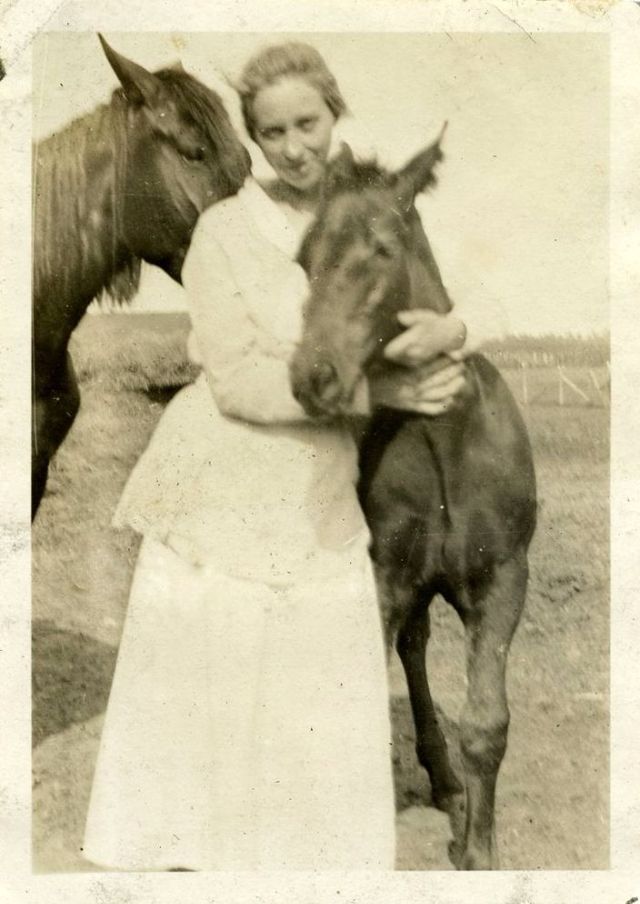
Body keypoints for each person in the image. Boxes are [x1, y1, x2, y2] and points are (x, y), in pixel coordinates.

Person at [82, 41, 501, 872]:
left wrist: (456, 328)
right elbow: (236, 379)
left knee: (313, 685)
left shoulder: (373, 208)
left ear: (335, 115)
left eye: (308, 123)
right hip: (225, 475)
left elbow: (442, 288)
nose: (295, 145)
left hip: (315, 484)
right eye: (272, 132)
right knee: (221, 672)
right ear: (255, 139)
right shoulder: (224, 232)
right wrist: (379, 398)